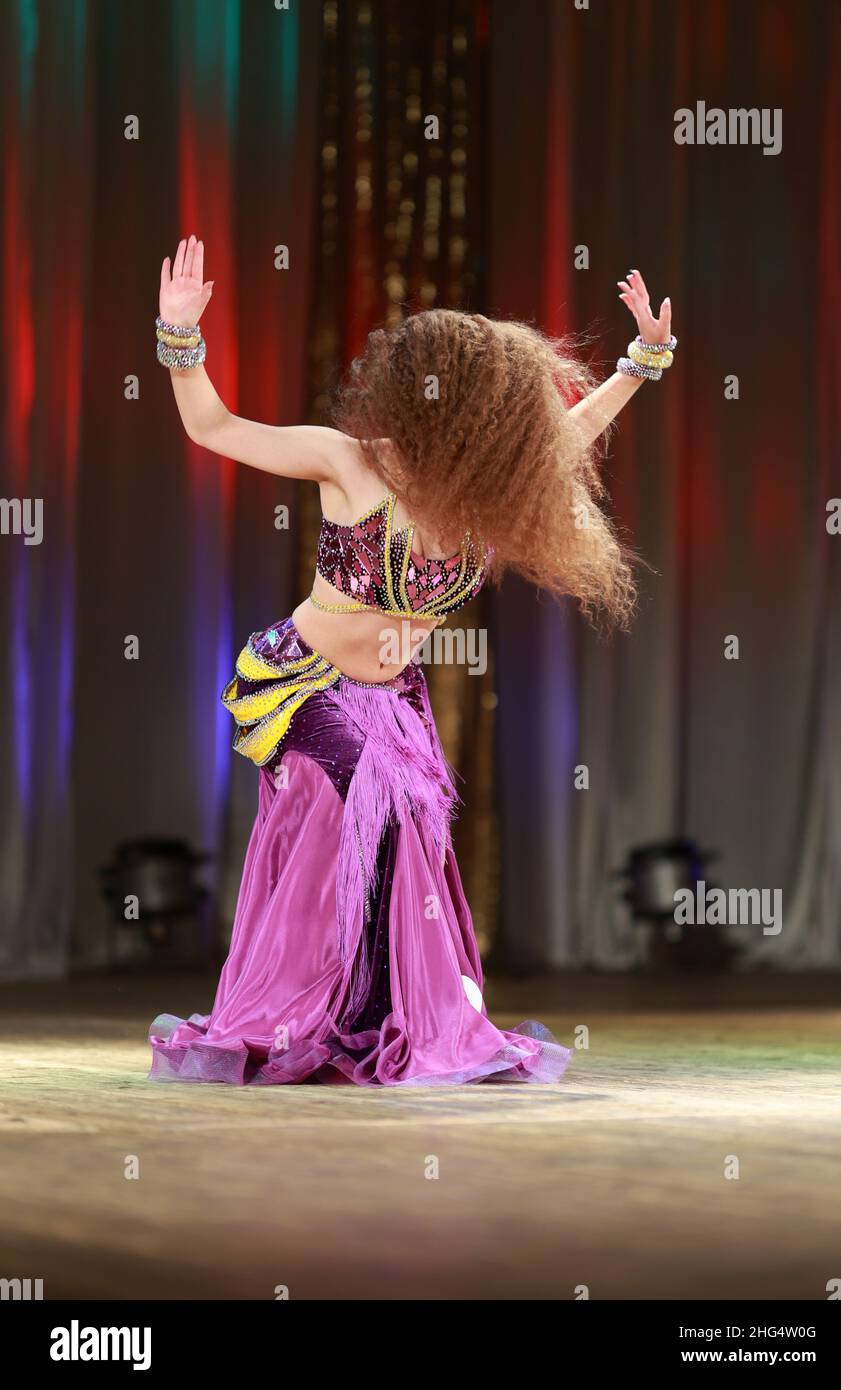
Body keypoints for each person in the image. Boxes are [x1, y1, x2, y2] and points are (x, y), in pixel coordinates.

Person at [149, 234, 675, 1086]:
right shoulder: (348, 465)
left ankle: (378, 1017)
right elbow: (213, 427)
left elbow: (575, 430)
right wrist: (181, 338)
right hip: (305, 683)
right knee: (382, 805)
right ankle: (305, 1013)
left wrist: (641, 362)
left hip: (392, 700)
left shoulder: (489, 498)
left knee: (407, 839)